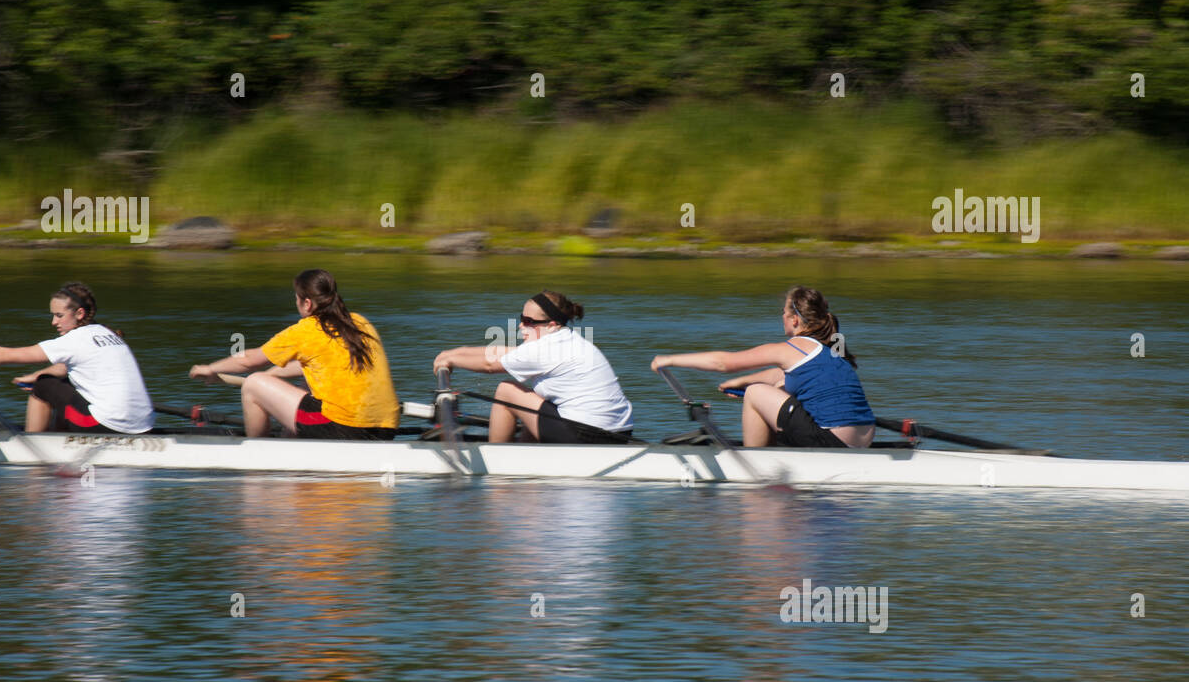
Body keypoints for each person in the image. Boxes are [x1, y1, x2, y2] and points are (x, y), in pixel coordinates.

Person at [650, 286, 874, 448]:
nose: (782, 317)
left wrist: (669, 360)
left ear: (795, 319)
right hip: (863, 439)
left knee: (756, 393)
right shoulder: (830, 350)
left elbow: (723, 363)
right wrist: (741, 382)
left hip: (834, 442)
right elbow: (780, 375)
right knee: (776, 385)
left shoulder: (791, 348)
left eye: (784, 313)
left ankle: (757, 457)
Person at [189, 269, 399, 439]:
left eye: (297, 299)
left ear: (307, 303)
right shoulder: (360, 322)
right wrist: (271, 377)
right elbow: (316, 365)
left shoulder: (306, 330)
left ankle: (258, 454)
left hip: (344, 429)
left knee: (253, 384)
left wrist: (210, 368)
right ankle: (289, 442)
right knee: (305, 385)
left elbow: (250, 361)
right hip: (386, 429)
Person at [0, 281, 155, 434]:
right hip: (143, 423)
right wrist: (37, 374)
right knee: (47, 380)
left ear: (79, 314)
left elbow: (4, 356)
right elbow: (66, 368)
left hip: (109, 426)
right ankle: (55, 434)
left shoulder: (74, 340)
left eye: (59, 315)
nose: (53, 322)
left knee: (44, 387)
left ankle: (35, 445)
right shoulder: (107, 334)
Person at [433, 290, 634, 443]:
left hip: (588, 436)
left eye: (529, 321)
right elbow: (502, 353)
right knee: (536, 401)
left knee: (507, 390)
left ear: (552, 324)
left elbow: (488, 364)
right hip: (620, 433)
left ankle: (497, 457)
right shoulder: (567, 340)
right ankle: (524, 453)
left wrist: (450, 361)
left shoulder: (545, 348)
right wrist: (451, 354)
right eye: (522, 319)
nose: (521, 326)